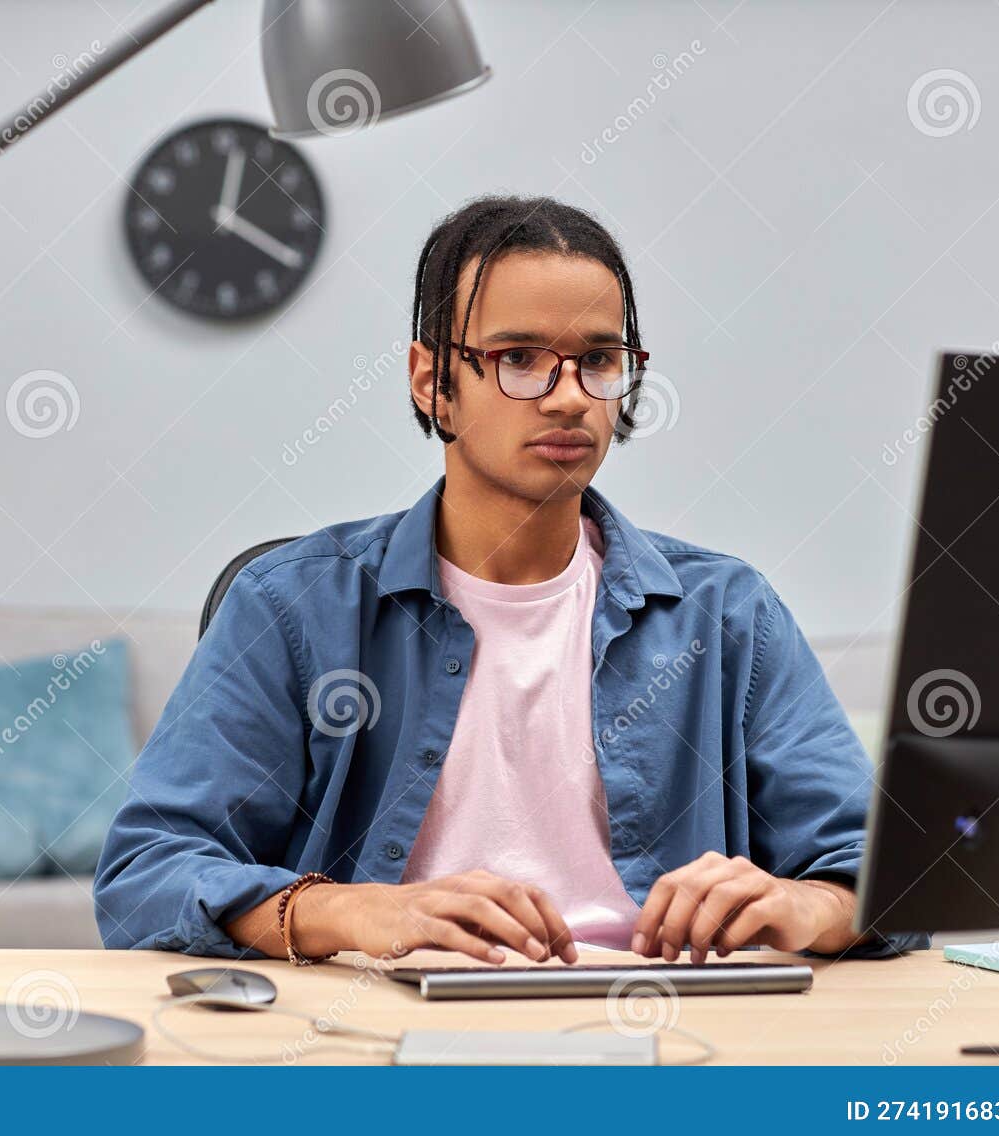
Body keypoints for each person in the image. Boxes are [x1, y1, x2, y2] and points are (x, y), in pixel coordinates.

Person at [95, 194, 924, 966]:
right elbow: (146, 875)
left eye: (597, 360)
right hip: (388, 1026)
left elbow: (894, 876)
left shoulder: (728, 615)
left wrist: (806, 904)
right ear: (433, 382)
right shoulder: (293, 607)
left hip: (665, 1022)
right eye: (519, 358)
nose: (567, 397)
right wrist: (350, 910)